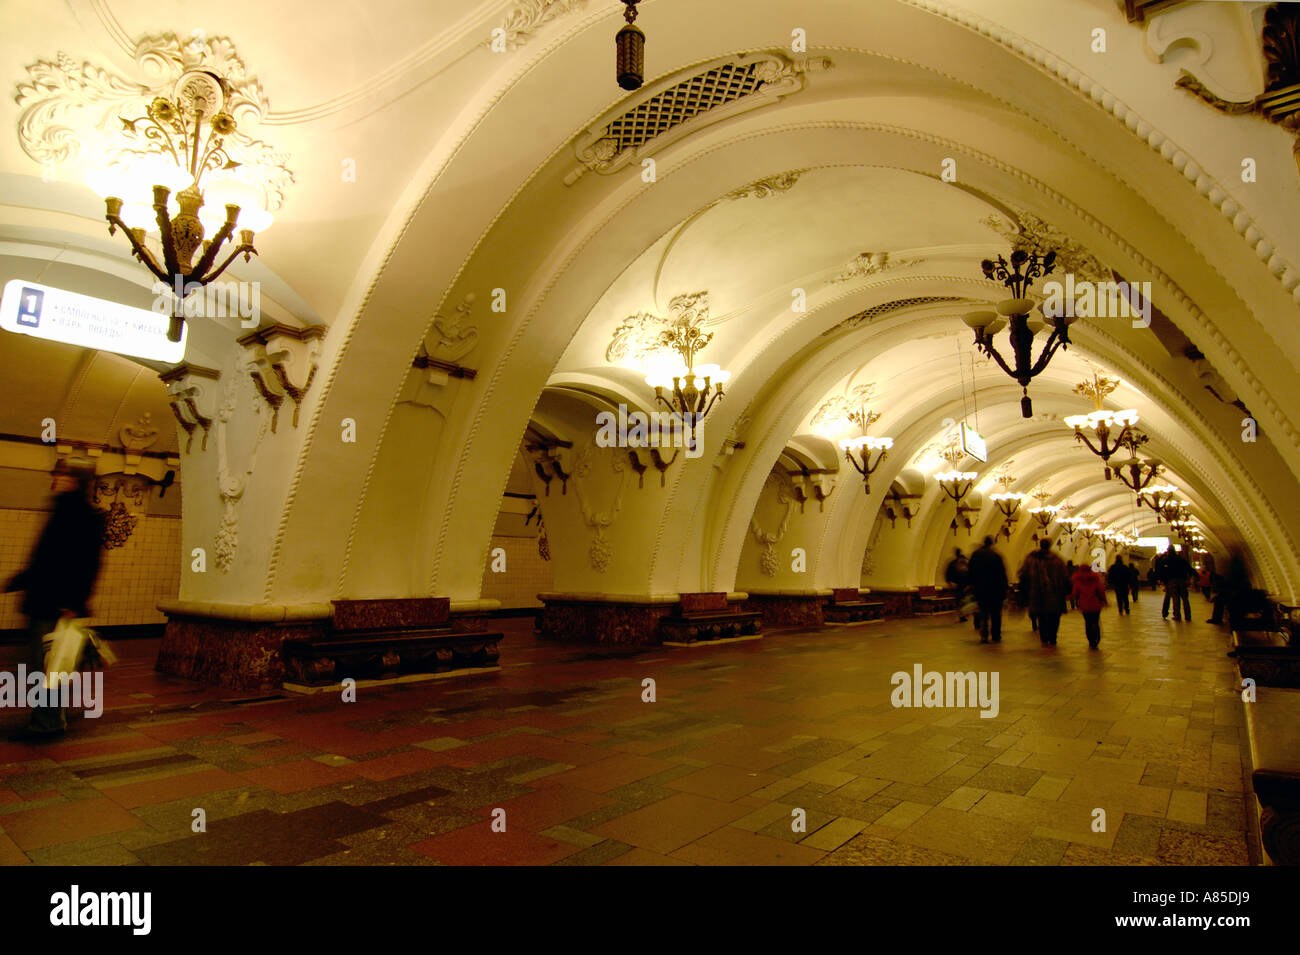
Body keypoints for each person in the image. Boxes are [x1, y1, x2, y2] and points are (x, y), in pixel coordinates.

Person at [4, 460, 105, 740]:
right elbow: (46, 559)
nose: (55, 478)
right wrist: (18, 581)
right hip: (46, 600)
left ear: (75, 481)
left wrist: (73, 601)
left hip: (56, 605)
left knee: (49, 667)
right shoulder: (62, 509)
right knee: (48, 665)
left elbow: (87, 563)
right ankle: (47, 717)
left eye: (62, 474)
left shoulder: (82, 514)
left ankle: (47, 723)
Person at [1026, 539, 1069, 646]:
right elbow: (1065, 576)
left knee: (1041, 617)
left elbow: (1024, 575)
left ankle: (1044, 637)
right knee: (1054, 617)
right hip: (1055, 594)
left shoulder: (1032, 559)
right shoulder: (1056, 560)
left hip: (1037, 594)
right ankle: (1053, 636)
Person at [968, 536, 1009, 644]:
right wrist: (1005, 589)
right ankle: (996, 635)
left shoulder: (976, 555)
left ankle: (984, 635)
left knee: (983, 613)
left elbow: (970, 572)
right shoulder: (996, 556)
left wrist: (972, 586)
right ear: (992, 544)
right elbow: (1002, 574)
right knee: (996, 614)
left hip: (981, 589)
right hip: (995, 590)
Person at [1071, 562, 1109, 648]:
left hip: (1084, 605)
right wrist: (1104, 600)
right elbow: (1101, 591)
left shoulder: (1078, 581)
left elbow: (1075, 593)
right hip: (1095, 605)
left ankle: (1091, 640)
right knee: (1095, 621)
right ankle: (1097, 636)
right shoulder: (1095, 579)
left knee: (1088, 622)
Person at [1209, 550, 1250, 625]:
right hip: (1235, 593)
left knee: (1219, 601)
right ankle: (1216, 618)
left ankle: (1217, 618)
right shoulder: (1239, 574)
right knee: (1219, 600)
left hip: (1237, 595)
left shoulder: (1237, 576)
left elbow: (1233, 585)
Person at [1162, 547, 1193, 622]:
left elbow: (1165, 571)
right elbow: (1189, 568)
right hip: (1182, 580)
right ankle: (1188, 616)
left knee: (1175, 598)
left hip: (1172, 581)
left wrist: (1164, 581)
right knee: (1185, 599)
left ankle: (1177, 615)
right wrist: (1192, 576)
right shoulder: (1181, 559)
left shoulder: (1167, 560)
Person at [945, 548, 970, 622]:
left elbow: (948, 575)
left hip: (958, 585)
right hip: (962, 585)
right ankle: (963, 615)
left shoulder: (953, 563)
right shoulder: (964, 562)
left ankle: (962, 615)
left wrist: (950, 583)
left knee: (960, 601)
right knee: (962, 601)